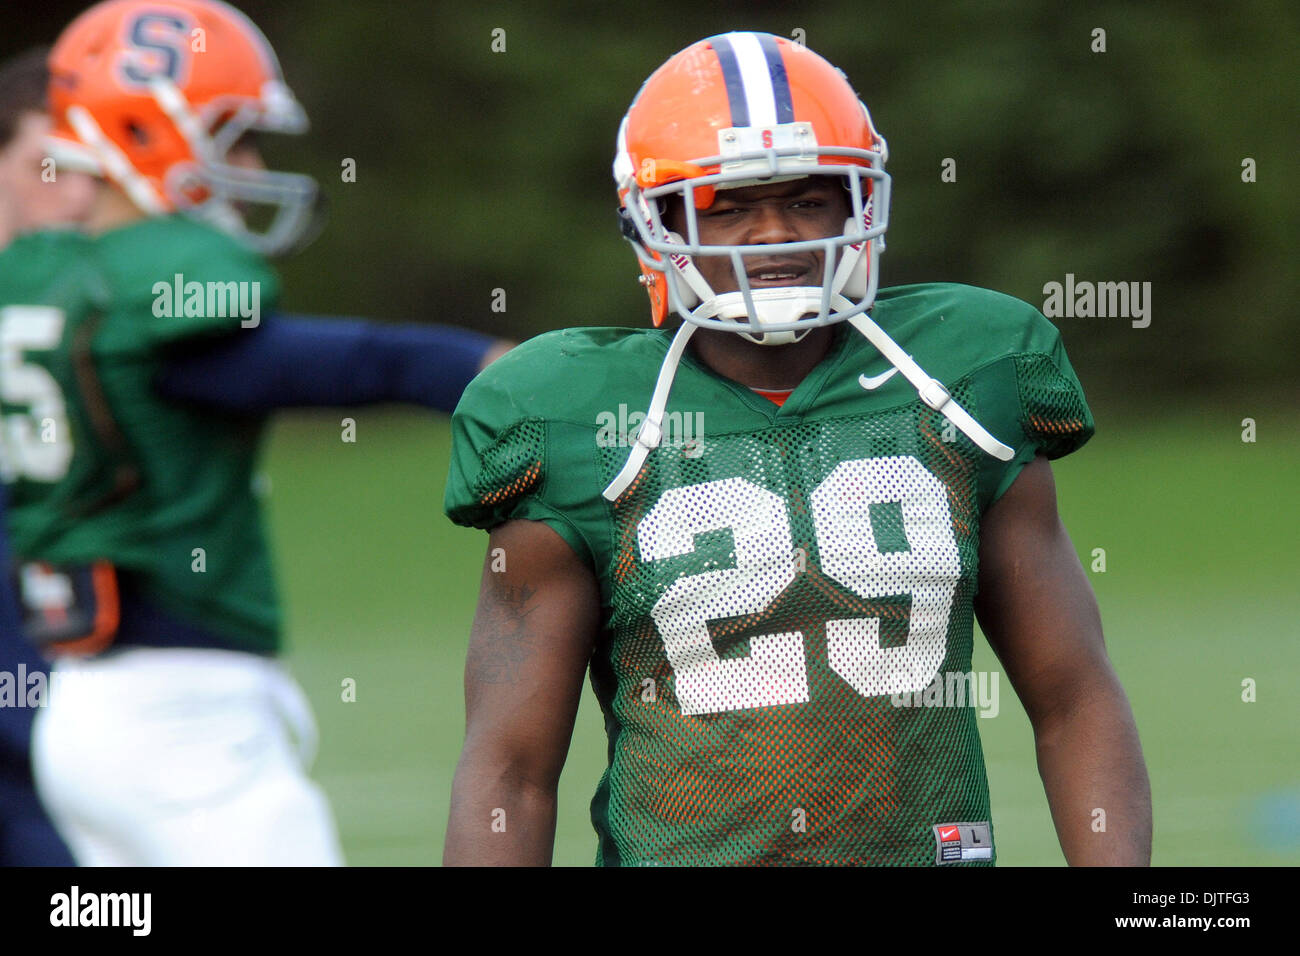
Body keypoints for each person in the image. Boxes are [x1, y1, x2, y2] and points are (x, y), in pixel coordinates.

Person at [443, 31, 1151, 866]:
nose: (774, 234)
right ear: (655, 220)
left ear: (859, 207)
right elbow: (512, 767)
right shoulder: (571, 416)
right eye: (731, 206)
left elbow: (1074, 697)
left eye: (808, 201)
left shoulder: (965, 373)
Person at [0, 0, 509, 866]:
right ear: (144, 131)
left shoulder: (48, 281)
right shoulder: (148, 297)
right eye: (230, 138)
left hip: (84, 710)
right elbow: (347, 363)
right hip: (179, 718)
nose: (252, 166)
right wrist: (502, 369)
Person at [0, 45, 95, 867]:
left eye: (91, 171)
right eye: (48, 166)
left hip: (59, 737)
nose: (75, 196)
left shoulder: (107, 332)